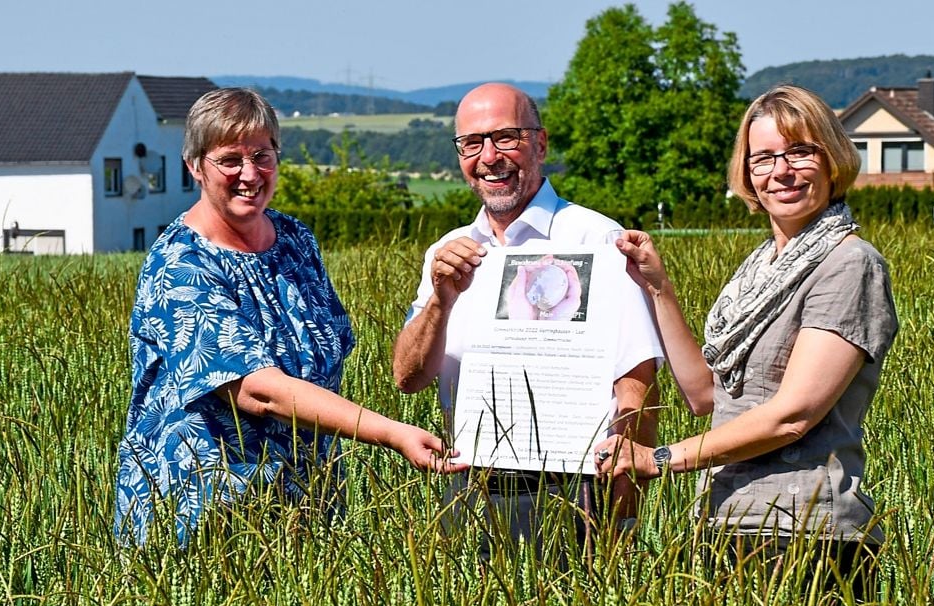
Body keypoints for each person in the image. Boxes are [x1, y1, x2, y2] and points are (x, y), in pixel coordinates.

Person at [114, 87, 464, 546]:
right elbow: (257, 390)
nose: (249, 174)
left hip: (304, 506)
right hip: (206, 516)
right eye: (229, 159)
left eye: (262, 155)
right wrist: (390, 433)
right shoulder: (180, 265)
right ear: (195, 166)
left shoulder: (295, 240)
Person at [594, 85, 898, 593]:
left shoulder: (849, 263)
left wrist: (658, 458)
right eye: (763, 158)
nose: (780, 171)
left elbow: (792, 414)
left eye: (800, 151)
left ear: (833, 158)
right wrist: (658, 287)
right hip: (725, 524)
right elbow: (707, 397)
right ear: (747, 174)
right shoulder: (760, 269)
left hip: (807, 534)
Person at [392, 82, 663, 557]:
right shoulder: (447, 252)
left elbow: (637, 388)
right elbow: (407, 378)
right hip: (469, 494)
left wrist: (622, 524)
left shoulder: (599, 240)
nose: (489, 156)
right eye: (472, 143)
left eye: (506, 137)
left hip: (576, 496)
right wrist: (440, 300)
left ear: (540, 143)